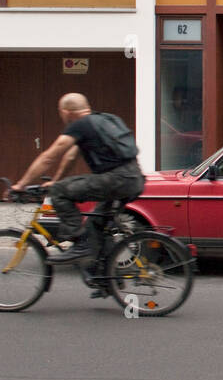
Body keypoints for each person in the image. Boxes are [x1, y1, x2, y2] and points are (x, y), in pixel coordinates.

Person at [11, 93, 145, 266]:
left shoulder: (81, 124)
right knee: (95, 224)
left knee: (59, 191)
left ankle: (80, 243)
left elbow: (49, 157)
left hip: (116, 179)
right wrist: (56, 179)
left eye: (60, 113)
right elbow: (71, 157)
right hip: (135, 178)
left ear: (66, 112)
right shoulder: (103, 120)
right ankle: (105, 277)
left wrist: (21, 184)